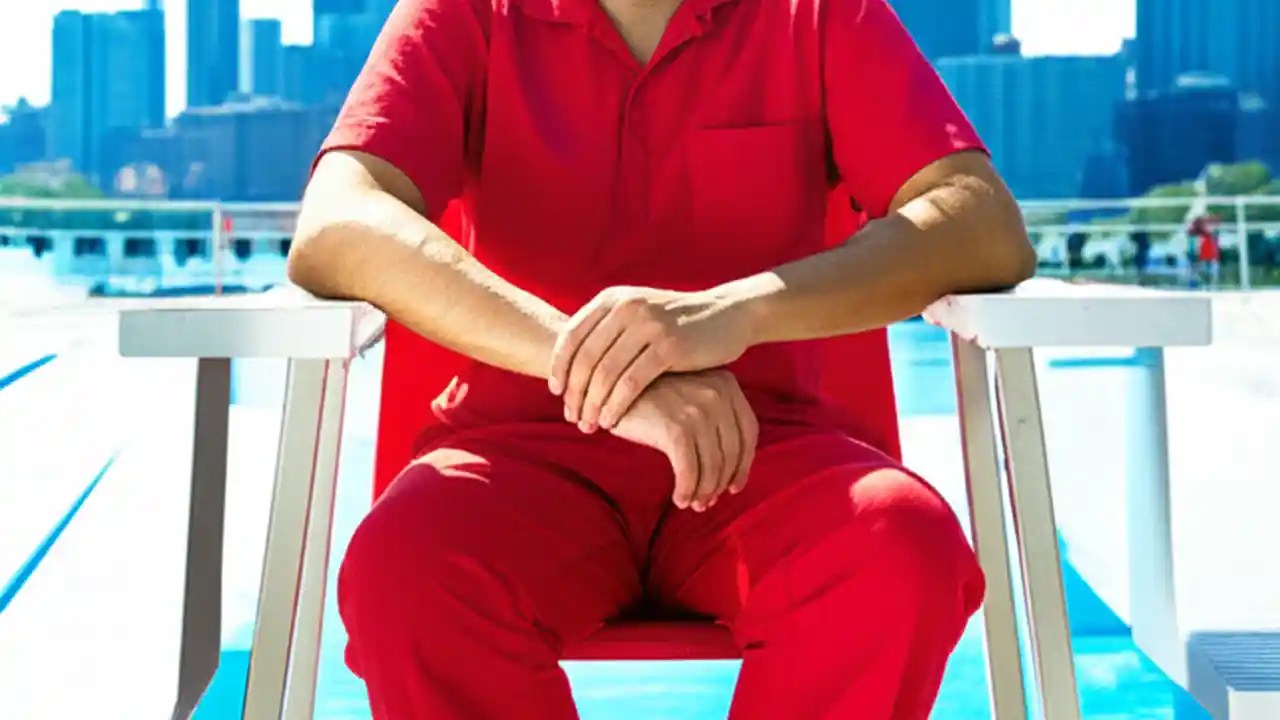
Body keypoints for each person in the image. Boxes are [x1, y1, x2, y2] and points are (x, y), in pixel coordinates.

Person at [286, 0, 1036, 717]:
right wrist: (607, 373)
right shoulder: (467, 12)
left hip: (765, 456)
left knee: (901, 549)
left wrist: (733, 312)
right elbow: (335, 224)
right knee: (406, 571)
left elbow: (980, 220)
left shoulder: (820, 12)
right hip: (517, 458)